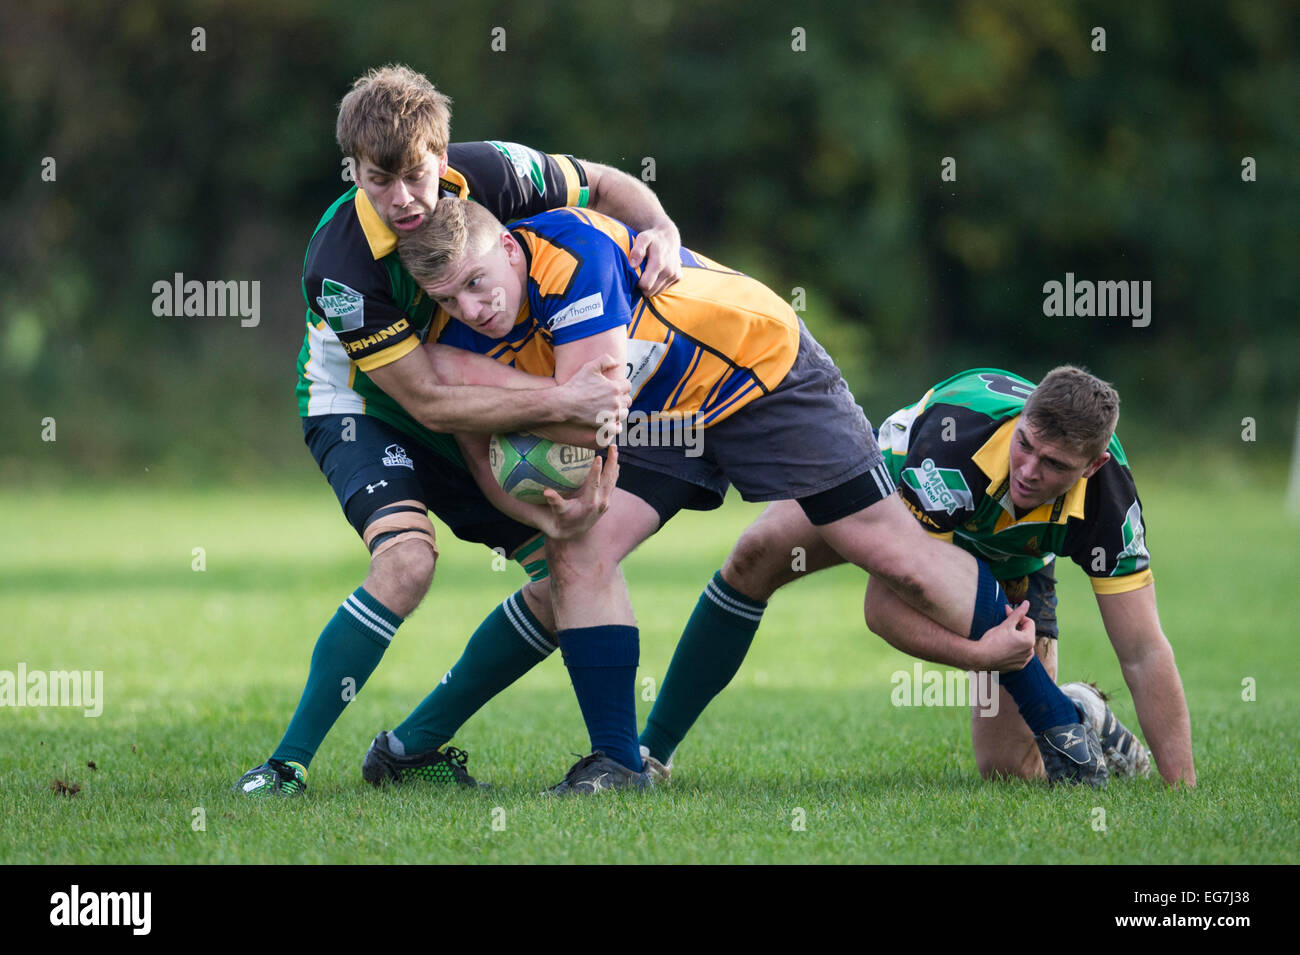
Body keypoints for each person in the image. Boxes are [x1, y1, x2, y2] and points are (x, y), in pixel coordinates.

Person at [396, 200, 1081, 793]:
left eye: (478, 284)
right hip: (663, 413)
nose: (471, 309)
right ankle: (618, 762)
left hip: (762, 368)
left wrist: (468, 386)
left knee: (894, 555)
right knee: (577, 556)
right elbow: (473, 426)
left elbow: (590, 410)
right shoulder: (459, 314)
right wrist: (528, 501)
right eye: (450, 300)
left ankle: (1064, 733)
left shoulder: (572, 255)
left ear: (510, 249)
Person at [235, 63, 686, 797]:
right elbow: (429, 402)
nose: (404, 199)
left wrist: (661, 228)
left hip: (462, 394)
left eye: (416, 175)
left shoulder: (494, 172)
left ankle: (435, 752)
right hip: (357, 406)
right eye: (379, 181)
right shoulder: (341, 265)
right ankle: (286, 765)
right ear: (353, 171)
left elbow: (604, 184)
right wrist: (564, 398)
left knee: (573, 564)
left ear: (442, 156)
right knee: (407, 561)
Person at [639, 367, 1196, 787]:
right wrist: (981, 657)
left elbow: (1143, 652)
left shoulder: (1110, 503)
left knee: (1007, 769)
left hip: (1018, 563)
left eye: (1054, 465)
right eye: (1025, 444)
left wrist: (1183, 797)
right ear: (1021, 419)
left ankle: (1081, 711)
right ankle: (651, 754)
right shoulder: (957, 444)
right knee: (755, 553)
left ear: (1092, 467)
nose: (1029, 470)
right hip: (885, 495)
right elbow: (883, 608)